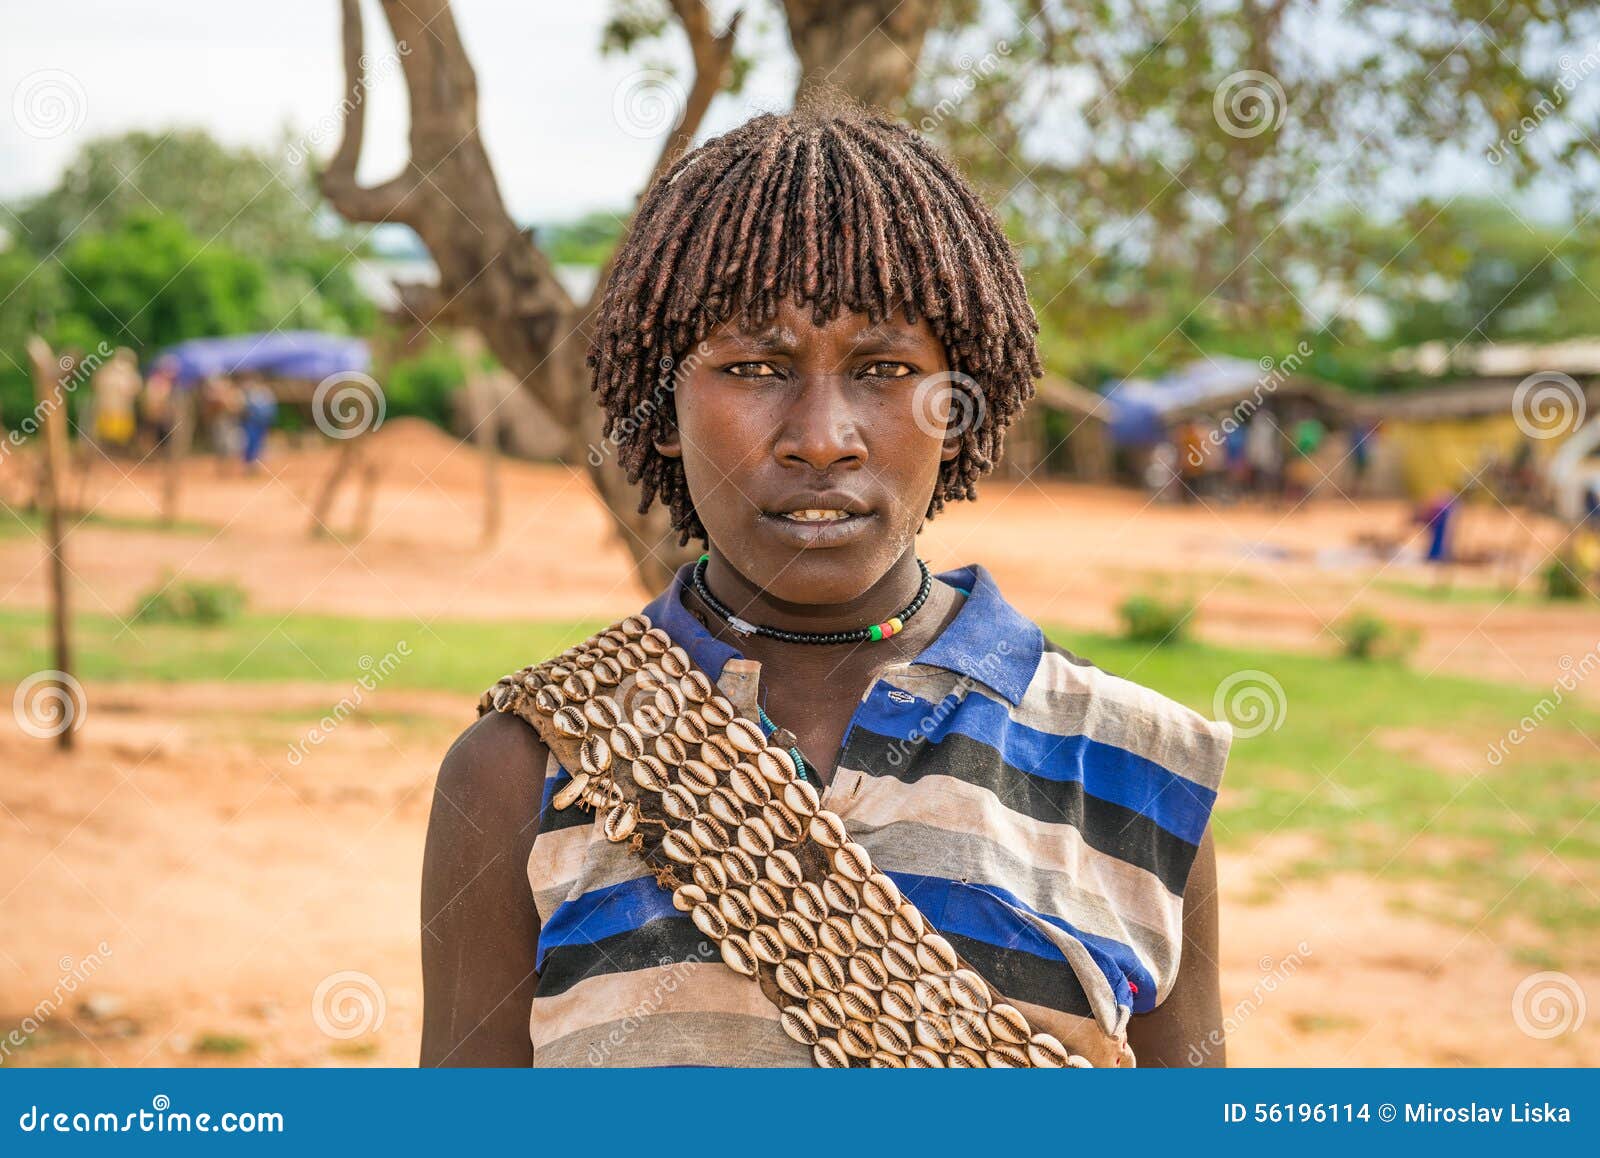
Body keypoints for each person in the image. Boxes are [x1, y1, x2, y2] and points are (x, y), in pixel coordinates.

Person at [421, 104, 1231, 1070]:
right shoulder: (523, 772)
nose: (821, 434)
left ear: (958, 409)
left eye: (884, 369)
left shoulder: (1136, 770)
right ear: (665, 410)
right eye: (755, 367)